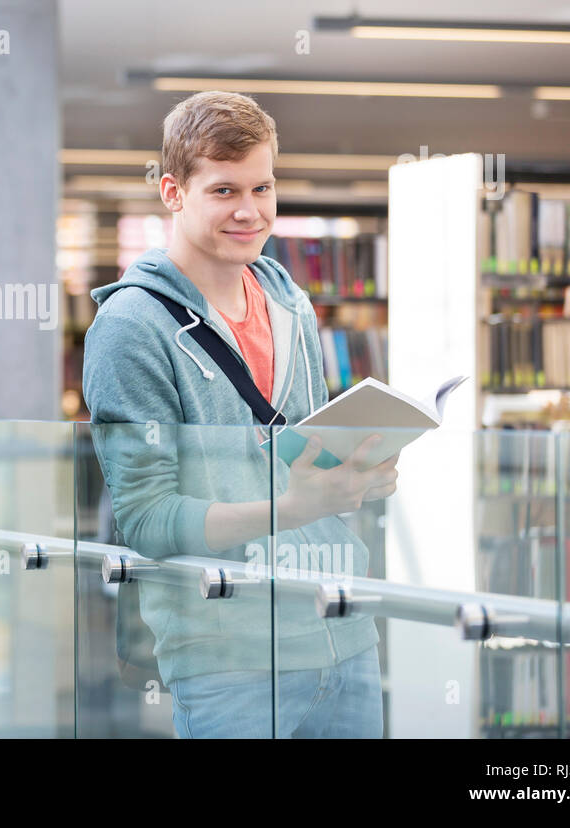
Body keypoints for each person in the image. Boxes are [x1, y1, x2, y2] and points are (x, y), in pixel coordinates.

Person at [82, 90, 399, 738]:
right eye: (224, 191)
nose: (250, 211)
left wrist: (356, 477)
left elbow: (305, 457)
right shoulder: (129, 328)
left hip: (342, 630)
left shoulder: (291, 303)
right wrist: (298, 508)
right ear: (172, 192)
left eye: (263, 188)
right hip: (226, 657)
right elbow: (146, 520)